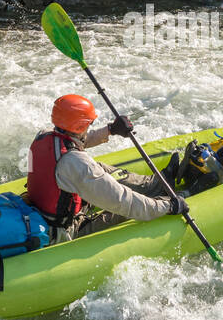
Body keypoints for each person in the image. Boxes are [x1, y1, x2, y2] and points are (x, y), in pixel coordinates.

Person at [24, 94, 188, 240]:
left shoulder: (45, 135)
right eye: (89, 124)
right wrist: (167, 207)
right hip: (63, 230)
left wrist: (111, 130)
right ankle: (164, 195)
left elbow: (78, 141)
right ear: (80, 126)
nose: (89, 127)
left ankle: (153, 184)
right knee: (123, 211)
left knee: (98, 167)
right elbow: (124, 202)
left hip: (40, 209)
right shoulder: (76, 163)